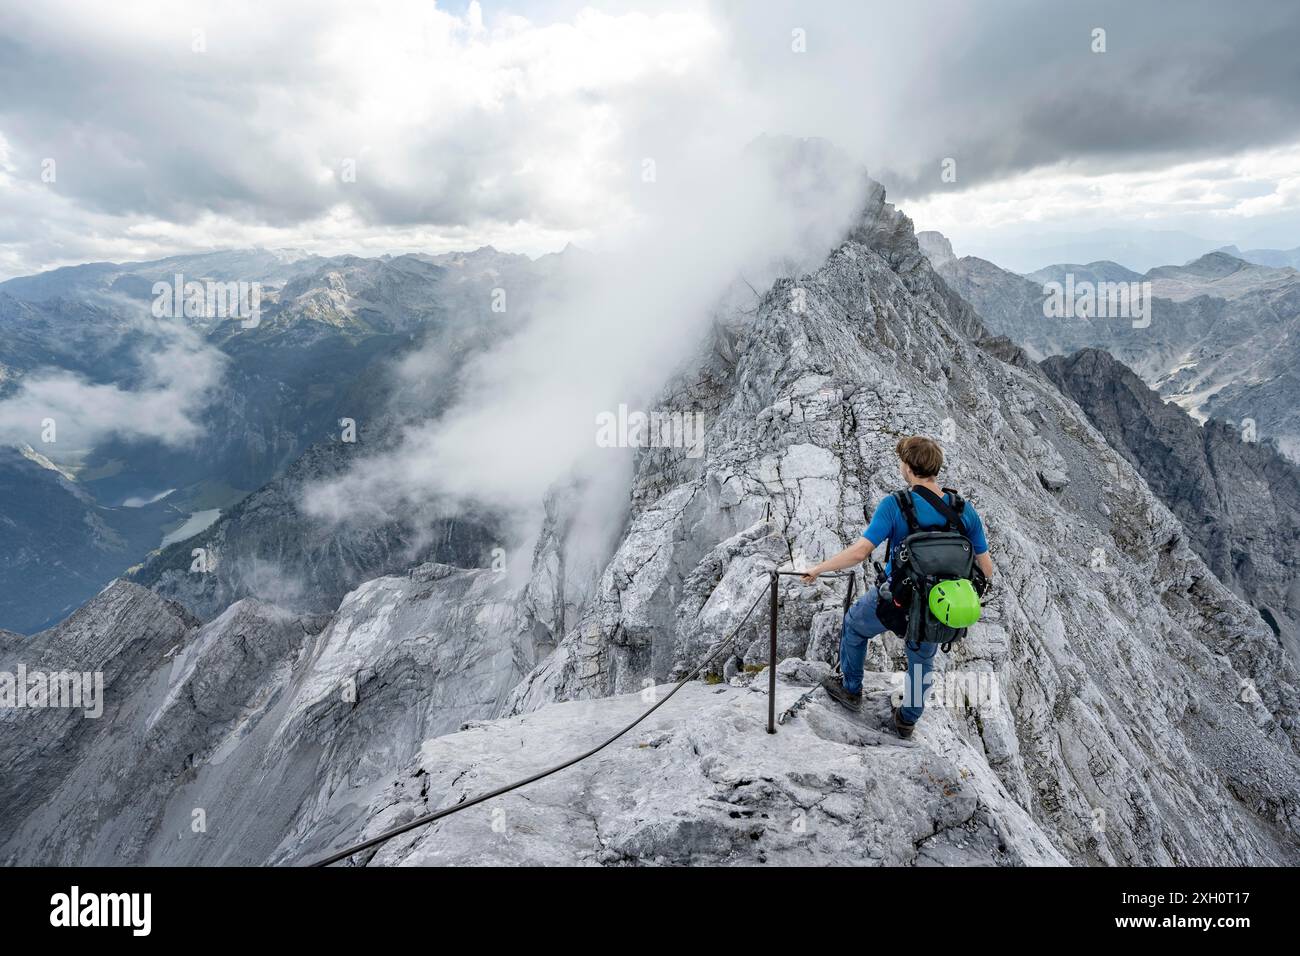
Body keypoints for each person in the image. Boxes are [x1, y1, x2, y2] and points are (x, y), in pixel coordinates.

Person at [801, 436, 993, 738]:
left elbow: (860, 552)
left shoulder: (896, 505)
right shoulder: (963, 510)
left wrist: (819, 568)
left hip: (896, 599)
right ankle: (907, 720)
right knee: (922, 660)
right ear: (935, 468)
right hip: (936, 604)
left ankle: (851, 689)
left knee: (854, 624)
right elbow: (986, 569)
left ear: (907, 467)